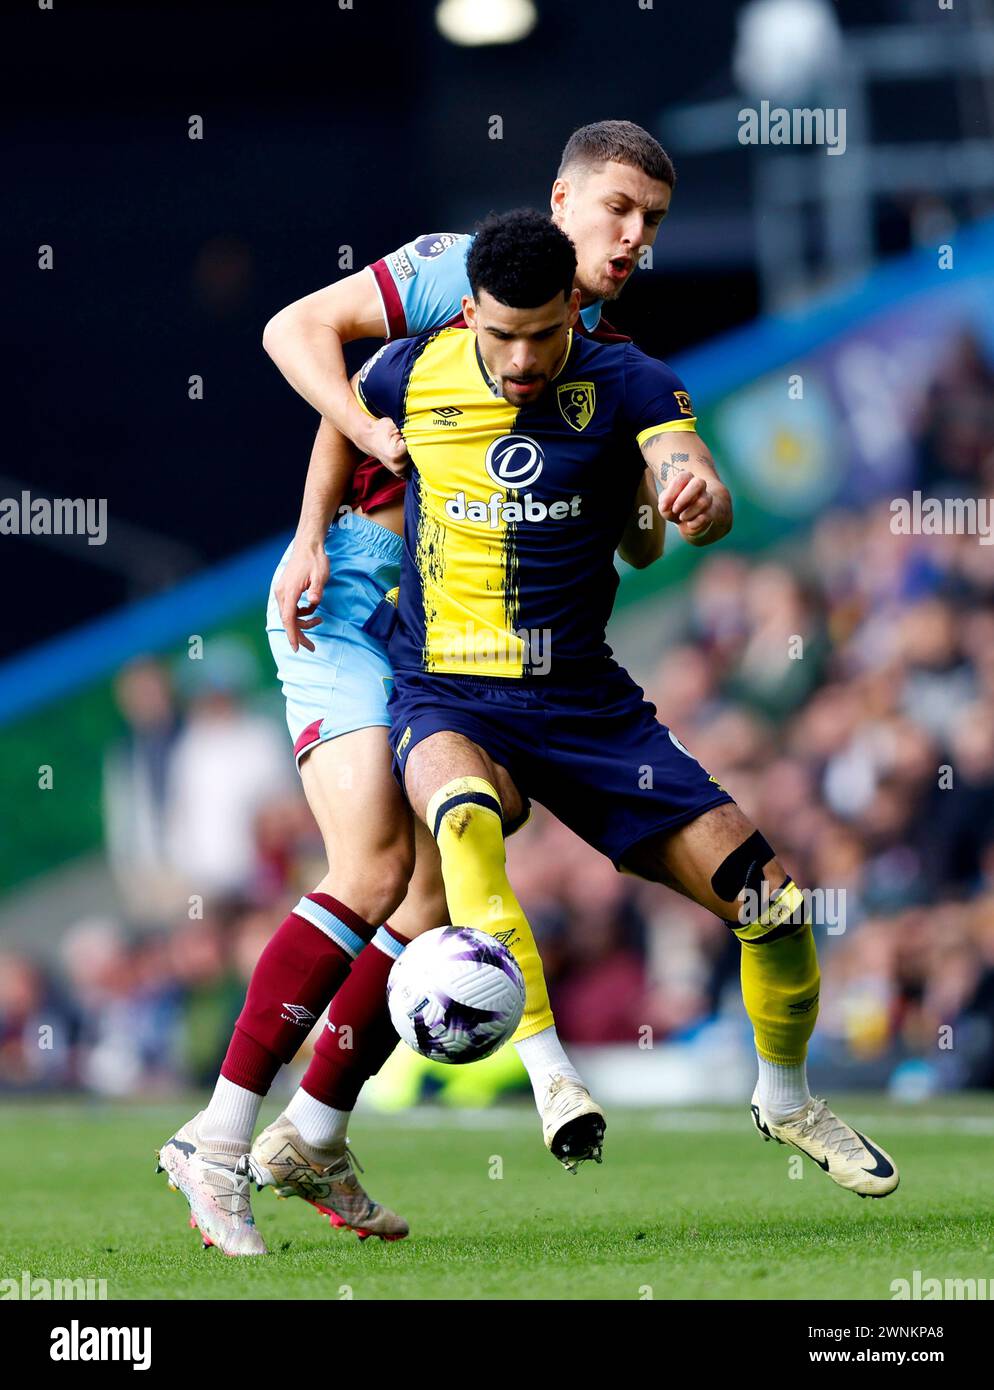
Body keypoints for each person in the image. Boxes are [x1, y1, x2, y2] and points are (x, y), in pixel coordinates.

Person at [157, 121, 677, 1256]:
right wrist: (311, 526)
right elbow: (301, 336)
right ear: (562, 199)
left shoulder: (599, 355)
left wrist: (649, 499)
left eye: (651, 220)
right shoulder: (465, 269)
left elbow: (628, 545)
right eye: (616, 210)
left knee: (432, 902)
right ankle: (216, 1136)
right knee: (378, 867)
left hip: (442, 643)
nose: (632, 236)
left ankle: (312, 1132)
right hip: (348, 601)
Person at [342, 210, 899, 1214]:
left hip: (587, 705)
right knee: (461, 815)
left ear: (572, 316)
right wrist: (309, 540)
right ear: (468, 312)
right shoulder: (405, 374)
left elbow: (692, 469)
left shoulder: (628, 380)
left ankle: (785, 1100)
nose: (519, 361)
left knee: (770, 901)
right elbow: (333, 424)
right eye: (499, 335)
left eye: (542, 336)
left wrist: (695, 496)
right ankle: (552, 1075)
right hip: (445, 687)